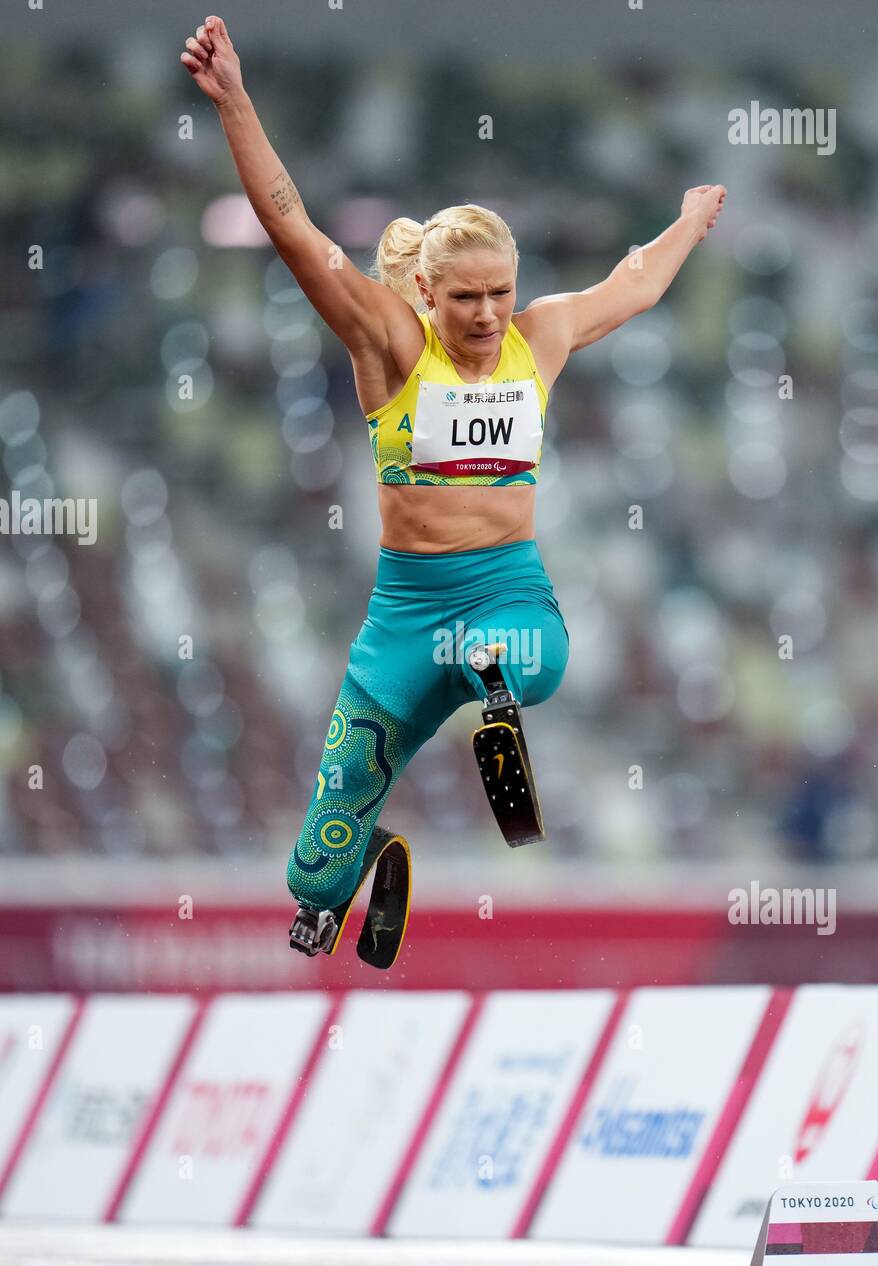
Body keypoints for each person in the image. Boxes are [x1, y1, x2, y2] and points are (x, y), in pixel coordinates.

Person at [181, 16, 726, 942]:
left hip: (504, 590)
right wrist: (235, 99)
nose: (486, 314)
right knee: (310, 874)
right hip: (405, 613)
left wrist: (687, 222)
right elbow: (292, 227)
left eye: (500, 292)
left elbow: (631, 285)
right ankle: (368, 861)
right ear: (426, 293)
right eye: (466, 297)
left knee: (535, 663)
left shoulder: (539, 336)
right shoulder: (389, 344)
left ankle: (493, 706)